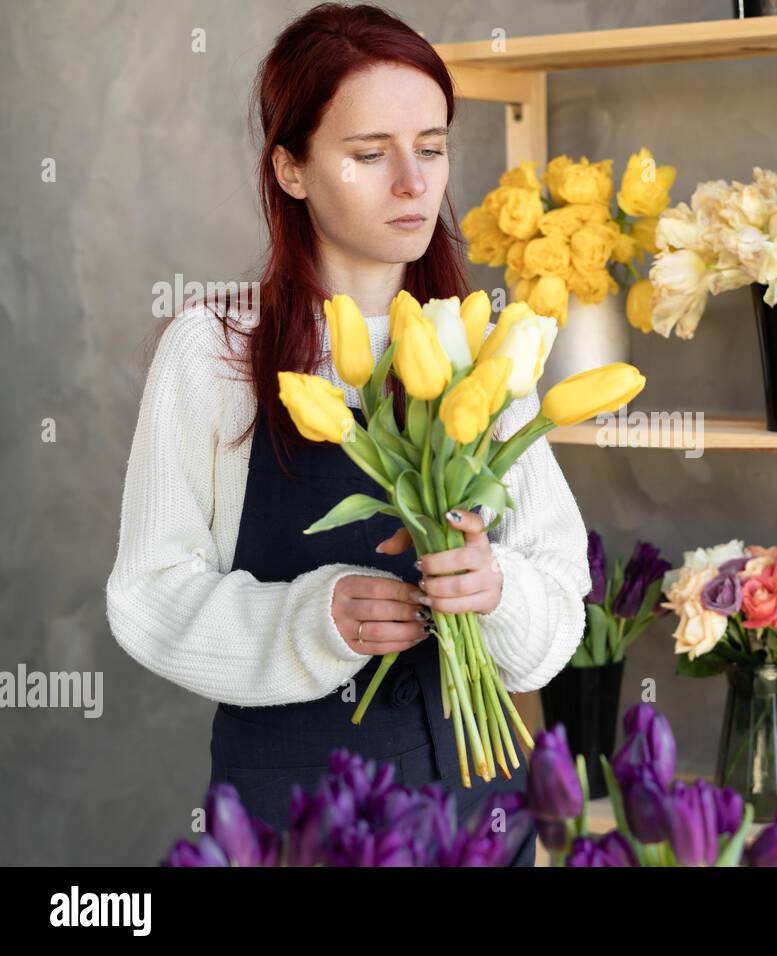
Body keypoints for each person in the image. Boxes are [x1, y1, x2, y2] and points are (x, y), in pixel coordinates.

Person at [105, 2, 591, 867]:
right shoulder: (217, 353)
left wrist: (496, 588)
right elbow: (149, 596)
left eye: (432, 147)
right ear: (291, 169)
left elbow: (557, 617)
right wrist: (313, 619)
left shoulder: (483, 344)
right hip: (299, 816)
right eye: (370, 155)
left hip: (479, 816)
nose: (412, 181)